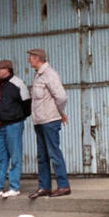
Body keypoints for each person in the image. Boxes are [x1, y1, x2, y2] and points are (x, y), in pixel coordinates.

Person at [0, 59, 31, 199]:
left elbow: (27, 104)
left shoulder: (18, 84)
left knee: (15, 156)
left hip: (14, 125)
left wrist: (18, 118)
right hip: (1, 125)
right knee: (0, 157)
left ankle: (14, 187)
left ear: (7, 70)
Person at [27, 47, 70, 199]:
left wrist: (60, 112)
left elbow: (61, 97)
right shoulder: (38, 76)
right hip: (39, 121)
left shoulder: (49, 74)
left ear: (38, 58)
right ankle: (44, 187)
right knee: (42, 156)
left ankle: (63, 186)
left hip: (50, 120)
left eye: (31, 57)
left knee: (54, 153)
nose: (29, 59)